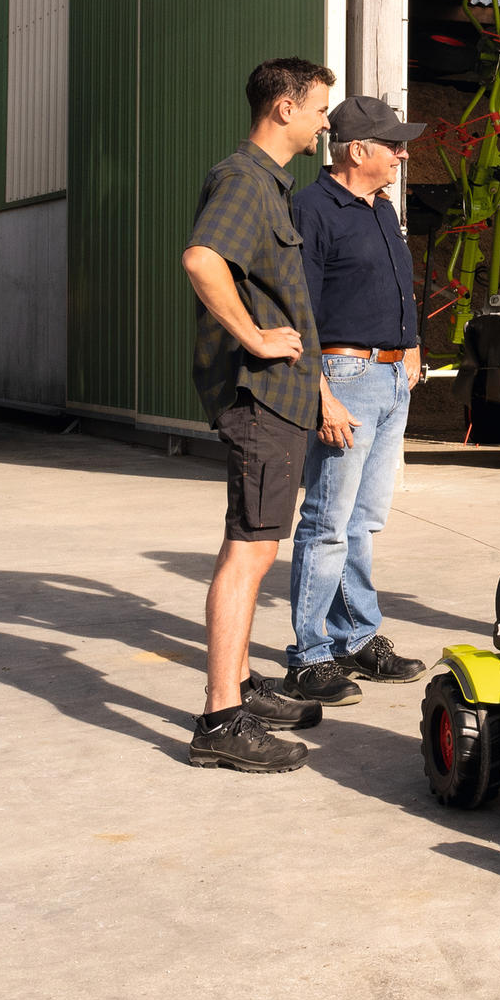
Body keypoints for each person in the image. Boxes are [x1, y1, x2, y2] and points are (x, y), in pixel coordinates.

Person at [173, 56, 338, 772]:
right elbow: (202, 258)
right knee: (250, 551)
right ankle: (220, 719)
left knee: (256, 544)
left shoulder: (270, 184)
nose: (324, 122)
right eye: (320, 109)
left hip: (280, 397)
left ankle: (238, 682)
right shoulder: (244, 180)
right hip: (259, 395)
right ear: (284, 109)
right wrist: (255, 338)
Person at [281, 92, 431, 704]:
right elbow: (300, 308)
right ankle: (309, 654)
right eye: (392, 143)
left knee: (364, 521)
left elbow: (396, 285)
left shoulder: (380, 206)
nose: (401, 153)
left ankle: (355, 637)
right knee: (326, 522)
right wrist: (320, 394)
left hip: (393, 376)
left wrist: (413, 345)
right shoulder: (313, 209)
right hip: (344, 377)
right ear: (356, 150)